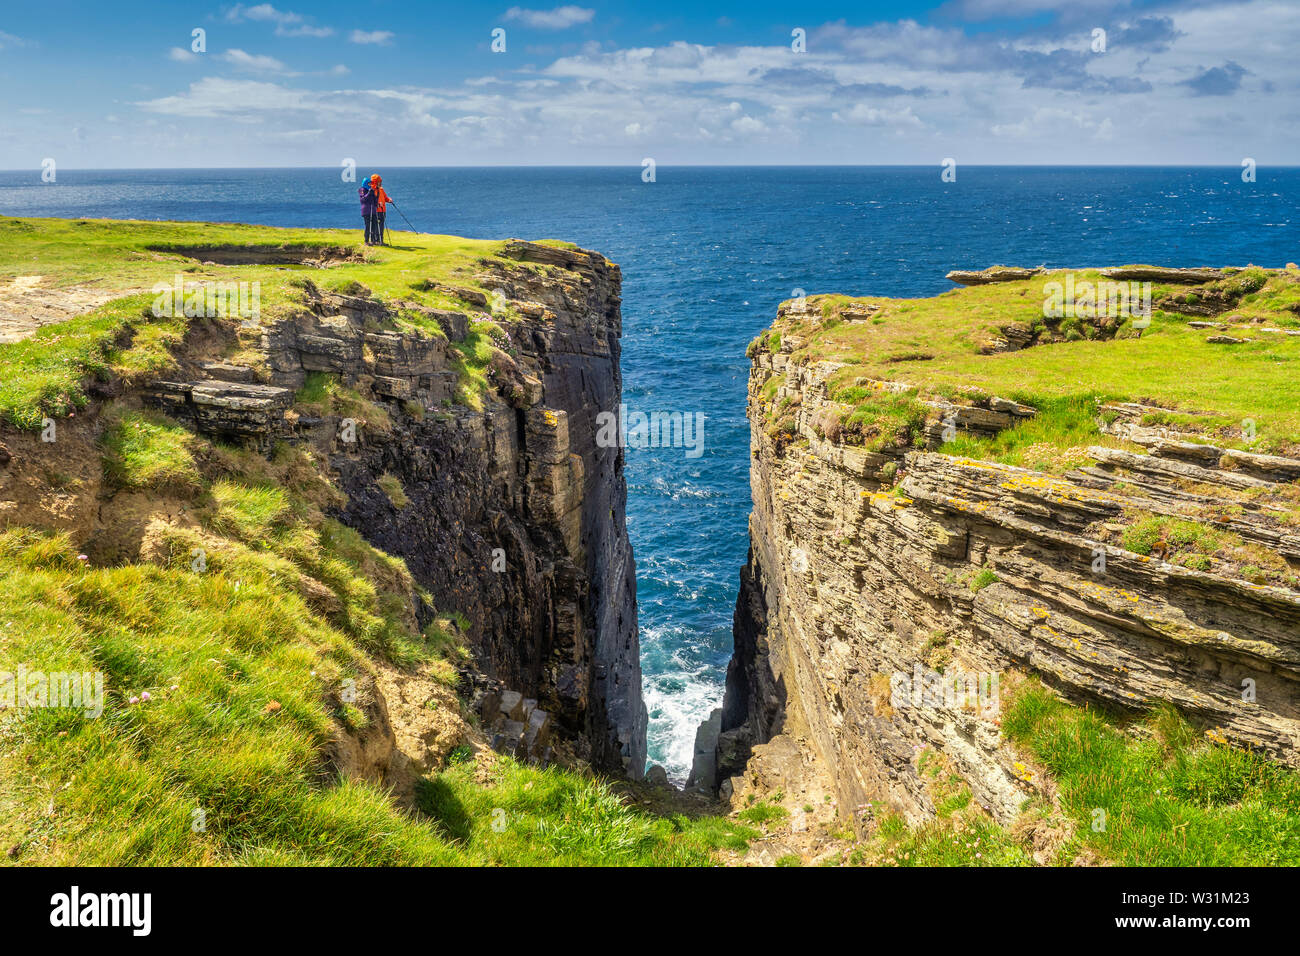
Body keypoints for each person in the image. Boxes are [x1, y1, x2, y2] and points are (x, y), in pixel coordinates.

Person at [367, 174, 394, 245]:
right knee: (376, 226)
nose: (381, 183)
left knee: (381, 226)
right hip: (376, 211)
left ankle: (380, 240)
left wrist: (389, 200)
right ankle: (376, 240)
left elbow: (385, 198)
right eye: (379, 181)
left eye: (380, 181)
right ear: (375, 182)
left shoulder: (381, 189)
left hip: (383, 210)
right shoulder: (372, 190)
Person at [358, 177, 379, 245]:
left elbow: (375, 202)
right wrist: (369, 193)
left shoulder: (371, 190)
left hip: (373, 210)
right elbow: (363, 200)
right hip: (366, 210)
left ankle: (373, 240)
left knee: (374, 225)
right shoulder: (362, 190)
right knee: (368, 226)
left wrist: (377, 195)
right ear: (365, 183)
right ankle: (366, 241)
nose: (370, 184)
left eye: (370, 183)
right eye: (369, 183)